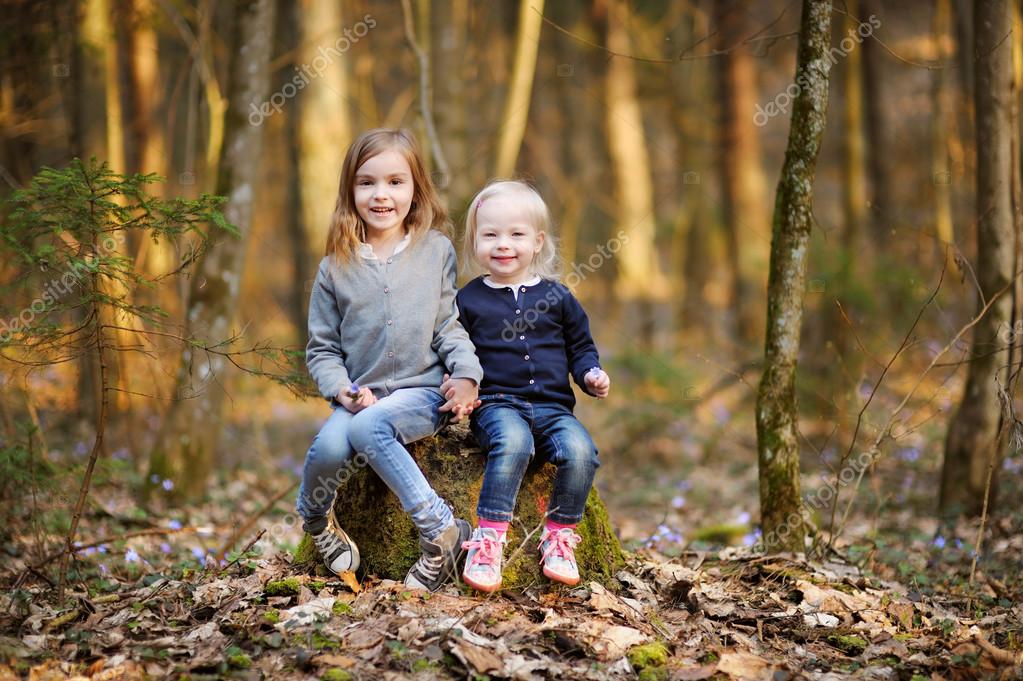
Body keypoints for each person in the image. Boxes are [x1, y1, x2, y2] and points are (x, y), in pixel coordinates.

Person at [297, 128, 482, 592]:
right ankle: (317, 521)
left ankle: (439, 527)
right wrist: (341, 389)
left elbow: (447, 325)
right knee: (329, 448)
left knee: (366, 429)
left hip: (421, 393)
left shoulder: (434, 250)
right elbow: (322, 348)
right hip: (360, 396)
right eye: (367, 183)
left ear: (415, 188)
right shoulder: (335, 264)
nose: (381, 195)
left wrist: (465, 375)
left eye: (396, 182)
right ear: (350, 191)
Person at [455, 180, 611, 591]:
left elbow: (580, 347)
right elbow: (454, 351)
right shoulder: (468, 300)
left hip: (554, 408)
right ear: (475, 242)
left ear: (538, 242)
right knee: (514, 444)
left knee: (581, 452)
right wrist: (456, 384)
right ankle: (488, 539)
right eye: (490, 235)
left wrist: (590, 374)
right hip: (496, 405)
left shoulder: (558, 297)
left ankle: (559, 534)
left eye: (516, 234)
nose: (503, 244)